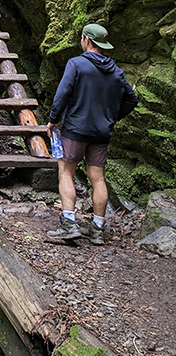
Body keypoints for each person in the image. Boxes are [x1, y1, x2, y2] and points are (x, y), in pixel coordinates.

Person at [46, 23, 138, 246]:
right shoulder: (116, 72)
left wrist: (53, 119)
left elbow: (63, 92)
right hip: (101, 132)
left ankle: (68, 224)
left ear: (86, 40)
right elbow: (131, 99)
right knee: (97, 177)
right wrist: (111, 118)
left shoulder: (77, 64)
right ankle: (96, 228)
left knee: (66, 171)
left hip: (75, 129)